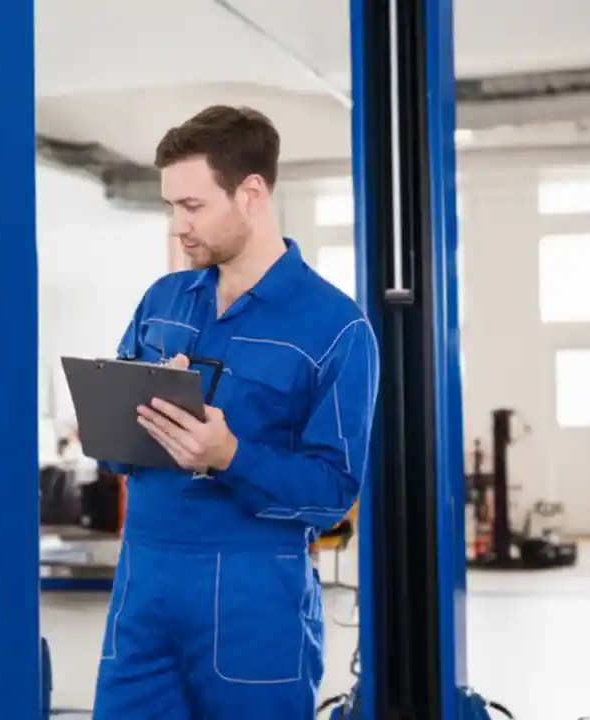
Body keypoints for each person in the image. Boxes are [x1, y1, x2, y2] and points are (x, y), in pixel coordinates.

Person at [92, 105, 380, 719]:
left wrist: (231, 457)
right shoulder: (163, 300)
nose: (177, 226)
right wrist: (124, 411)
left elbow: (332, 491)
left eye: (192, 206)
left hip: (254, 597)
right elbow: (115, 450)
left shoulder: (335, 328)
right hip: (142, 586)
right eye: (171, 206)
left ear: (250, 193)